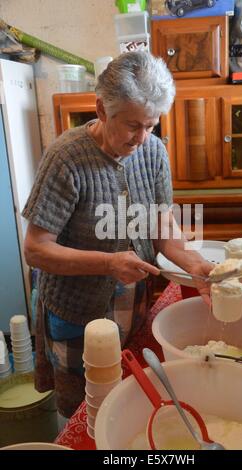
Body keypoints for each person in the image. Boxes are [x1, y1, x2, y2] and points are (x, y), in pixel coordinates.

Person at [22, 51, 213, 418]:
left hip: (133, 300)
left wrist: (196, 264)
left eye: (151, 125)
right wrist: (109, 262)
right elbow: (36, 249)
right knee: (85, 408)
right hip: (75, 308)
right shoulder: (67, 158)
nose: (142, 138)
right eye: (131, 125)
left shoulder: (154, 151)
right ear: (100, 110)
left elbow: (161, 226)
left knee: (129, 399)